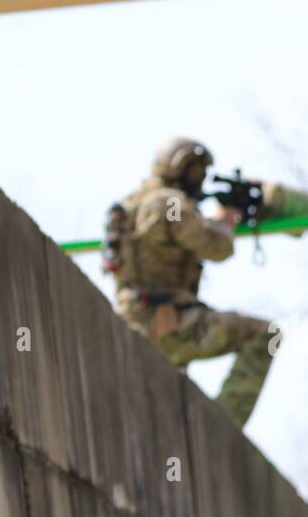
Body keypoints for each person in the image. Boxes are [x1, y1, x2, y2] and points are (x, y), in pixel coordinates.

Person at [107, 137, 279, 428]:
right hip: (169, 323)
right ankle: (224, 426)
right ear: (177, 169)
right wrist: (225, 223)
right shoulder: (170, 202)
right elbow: (216, 247)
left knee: (168, 406)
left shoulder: (131, 204)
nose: (198, 180)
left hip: (137, 322)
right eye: (195, 171)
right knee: (267, 335)